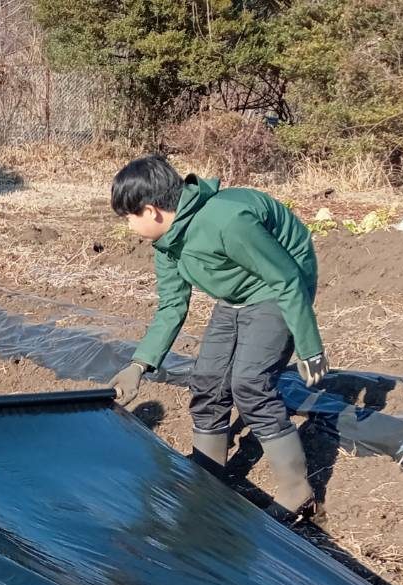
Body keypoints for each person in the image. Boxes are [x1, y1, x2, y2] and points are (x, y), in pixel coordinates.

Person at [108, 154, 328, 521]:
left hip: (278, 287)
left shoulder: (227, 220)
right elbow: (172, 306)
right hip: (236, 293)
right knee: (208, 380)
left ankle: (297, 491)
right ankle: (207, 476)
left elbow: (286, 278)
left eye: (128, 217)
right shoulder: (167, 243)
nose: (128, 226)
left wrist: (309, 347)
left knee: (250, 384)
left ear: (151, 211)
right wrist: (139, 365)